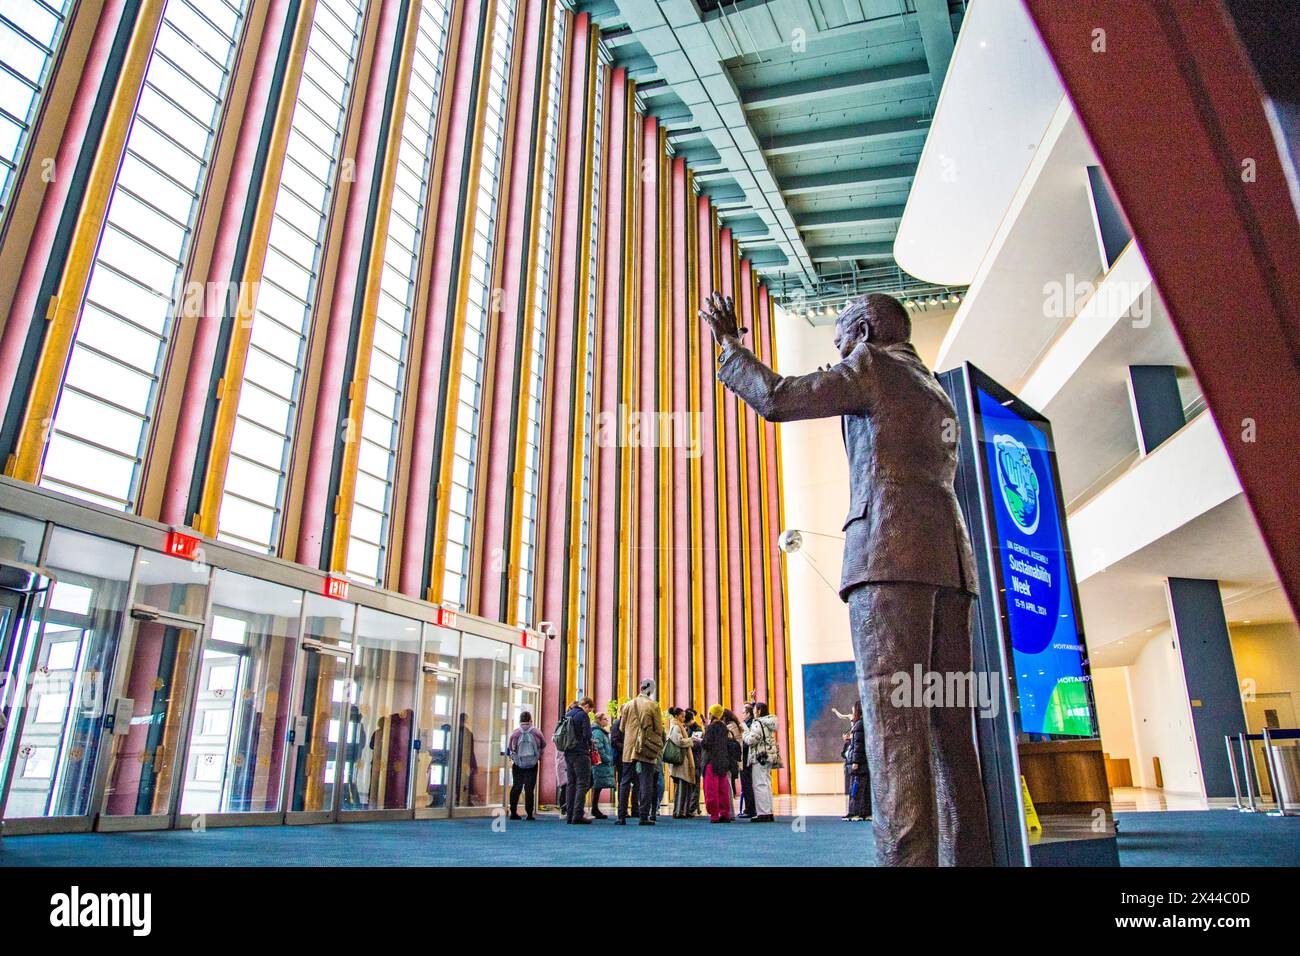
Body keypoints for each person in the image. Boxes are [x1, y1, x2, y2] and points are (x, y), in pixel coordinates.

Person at [703, 290, 993, 866]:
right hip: (950, 565)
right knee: (951, 739)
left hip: (889, 558)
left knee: (894, 739)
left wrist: (731, 347)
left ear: (862, 330)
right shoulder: (936, 389)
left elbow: (780, 398)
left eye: (839, 334)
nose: (835, 348)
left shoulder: (872, 365)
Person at [618, 678, 665, 825]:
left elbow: (621, 728)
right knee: (646, 781)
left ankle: (621, 816)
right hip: (646, 746)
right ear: (651, 690)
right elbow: (659, 728)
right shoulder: (653, 706)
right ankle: (643, 816)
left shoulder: (628, 705)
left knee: (625, 781)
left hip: (629, 746)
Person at [742, 701, 779, 822]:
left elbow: (752, 739)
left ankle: (763, 813)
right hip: (769, 755)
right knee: (767, 784)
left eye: (754, 710)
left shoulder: (757, 723)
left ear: (758, 711)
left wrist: (745, 733)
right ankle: (768, 812)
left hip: (759, 756)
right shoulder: (770, 721)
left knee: (759, 784)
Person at [506, 710, 546, 820]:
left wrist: (513, 757)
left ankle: (513, 812)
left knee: (516, 787)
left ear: (520, 720)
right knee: (529, 789)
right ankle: (529, 813)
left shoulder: (515, 733)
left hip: (518, 764)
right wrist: (538, 756)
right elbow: (544, 744)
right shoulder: (536, 732)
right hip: (532, 764)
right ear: (530, 720)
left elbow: (509, 747)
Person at [701, 705, 737, 823]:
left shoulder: (710, 728)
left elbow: (706, 744)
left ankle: (714, 815)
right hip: (723, 761)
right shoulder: (724, 728)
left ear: (712, 714)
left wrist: (703, 734)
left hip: (712, 761)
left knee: (711, 789)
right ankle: (725, 813)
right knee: (723, 789)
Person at [562, 697, 595, 824]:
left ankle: (570, 815)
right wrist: (589, 741)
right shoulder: (583, 716)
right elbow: (587, 734)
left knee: (571, 784)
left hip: (568, 753)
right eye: (589, 709)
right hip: (581, 753)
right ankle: (578, 815)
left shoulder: (568, 714)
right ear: (586, 705)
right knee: (582, 783)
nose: (589, 712)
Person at [843, 701, 871, 821]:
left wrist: (855, 762)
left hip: (859, 763)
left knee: (856, 788)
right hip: (859, 762)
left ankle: (856, 811)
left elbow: (859, 746)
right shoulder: (860, 724)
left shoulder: (859, 725)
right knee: (859, 788)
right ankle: (860, 811)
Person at [667, 707, 696, 818]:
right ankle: (679, 812)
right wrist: (691, 740)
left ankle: (680, 811)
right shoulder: (675, 727)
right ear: (676, 716)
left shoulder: (678, 726)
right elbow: (678, 741)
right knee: (681, 787)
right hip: (680, 761)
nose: (683, 718)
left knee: (683, 786)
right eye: (682, 716)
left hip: (682, 761)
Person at [590, 712, 615, 819]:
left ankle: (594, 808)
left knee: (596, 786)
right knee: (594, 785)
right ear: (599, 720)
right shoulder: (598, 733)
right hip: (599, 763)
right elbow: (599, 747)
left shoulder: (601, 732)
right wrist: (607, 758)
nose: (607, 721)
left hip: (600, 763)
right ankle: (593, 808)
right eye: (605, 719)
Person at [737, 703, 756, 818]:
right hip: (746, 757)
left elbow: (748, 741)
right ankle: (749, 808)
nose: (742, 715)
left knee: (747, 784)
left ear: (749, 713)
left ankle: (750, 809)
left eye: (743, 712)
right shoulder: (748, 724)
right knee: (746, 784)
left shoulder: (750, 724)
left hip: (747, 757)